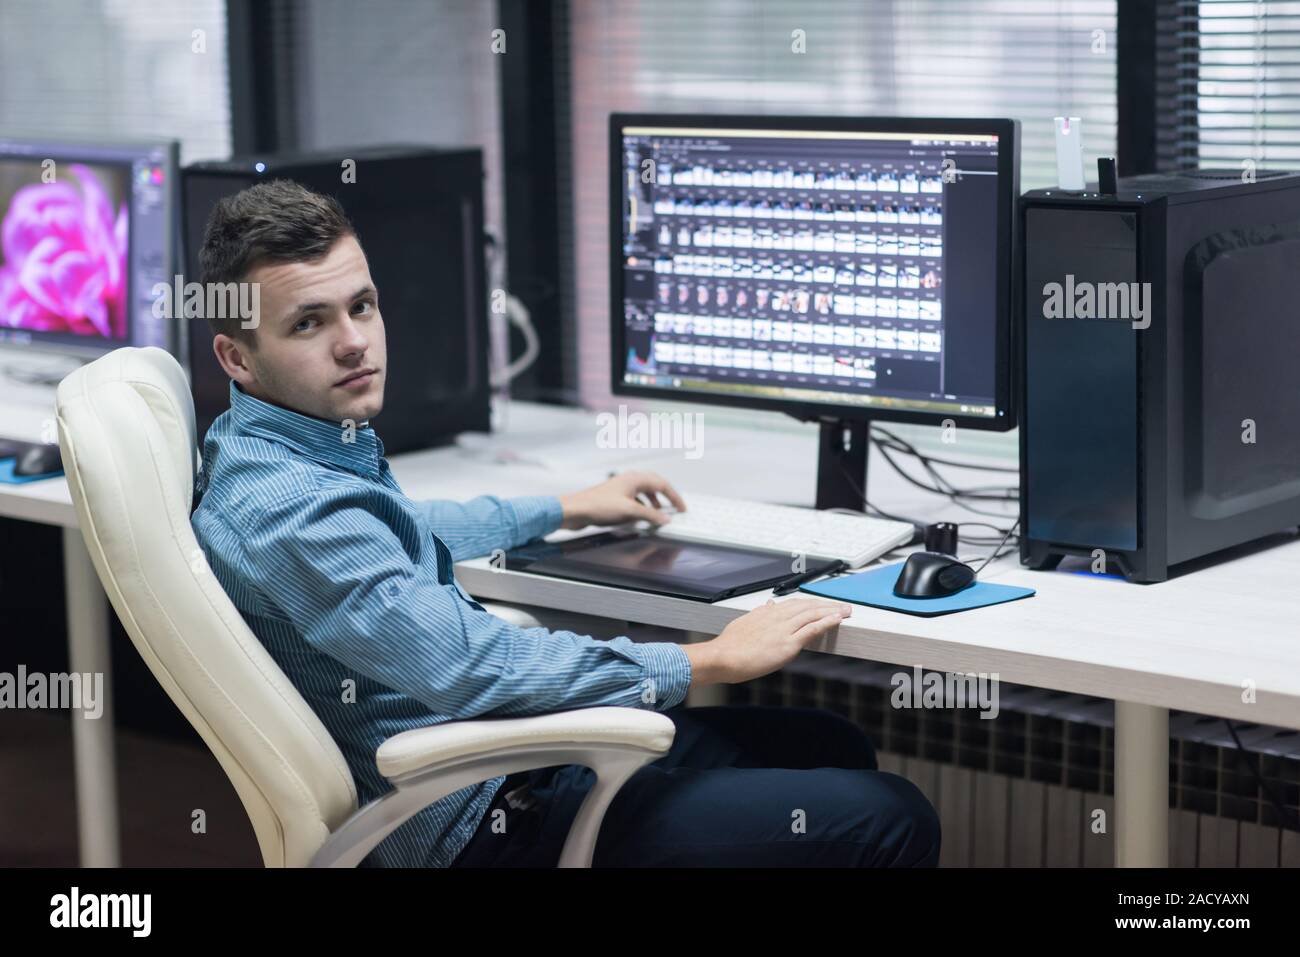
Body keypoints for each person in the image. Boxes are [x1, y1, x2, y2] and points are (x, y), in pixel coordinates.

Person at [189, 179, 940, 867]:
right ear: (239, 356)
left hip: (498, 760)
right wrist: (705, 659)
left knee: (828, 744)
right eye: (308, 323)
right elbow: (476, 667)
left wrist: (564, 506)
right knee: (889, 817)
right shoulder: (292, 508)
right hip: (484, 818)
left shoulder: (264, 448)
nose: (353, 340)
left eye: (362, 305)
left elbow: (401, 529)